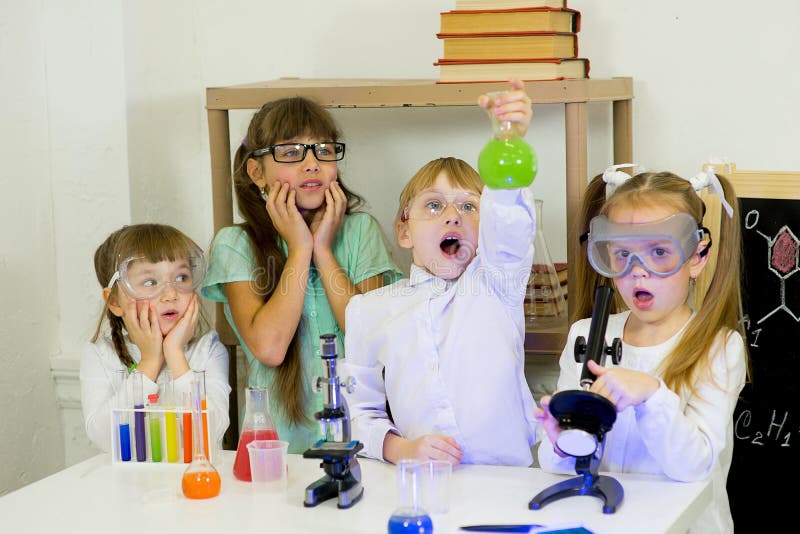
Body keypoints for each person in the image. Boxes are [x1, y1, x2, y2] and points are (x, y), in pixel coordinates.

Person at [533, 167, 747, 533]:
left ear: (696, 257)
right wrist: (562, 441)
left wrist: (651, 395)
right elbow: (559, 464)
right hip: (610, 524)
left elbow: (695, 465)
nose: (638, 271)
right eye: (622, 255)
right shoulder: (587, 336)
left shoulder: (719, 346)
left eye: (659, 252)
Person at [343, 80, 539, 467]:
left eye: (469, 207)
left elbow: (510, 229)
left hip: (505, 485)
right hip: (421, 483)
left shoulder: (498, 283)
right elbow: (356, 411)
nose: (452, 214)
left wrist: (508, 146)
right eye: (433, 205)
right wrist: (399, 449)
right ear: (404, 231)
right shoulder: (369, 309)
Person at [202, 97, 402, 453]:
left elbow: (370, 342)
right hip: (277, 451)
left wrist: (323, 251)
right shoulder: (234, 244)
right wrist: (299, 249)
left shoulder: (360, 232)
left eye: (323, 150)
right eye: (292, 152)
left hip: (362, 442)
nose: (312, 164)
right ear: (256, 172)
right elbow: (270, 348)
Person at [81, 224, 230, 453]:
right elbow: (103, 437)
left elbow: (210, 434)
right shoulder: (100, 355)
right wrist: (149, 361)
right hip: (127, 487)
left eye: (181, 277)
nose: (171, 294)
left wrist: (175, 354)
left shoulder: (208, 350)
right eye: (150, 282)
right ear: (114, 302)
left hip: (194, 485)